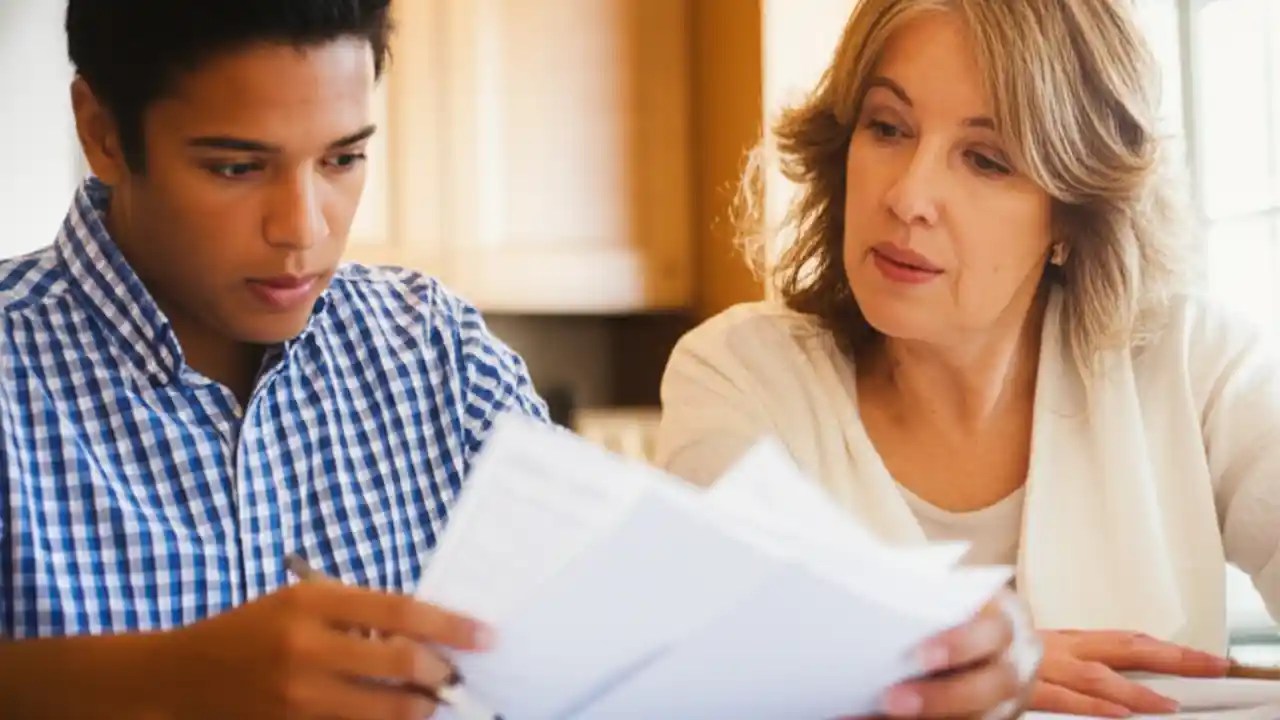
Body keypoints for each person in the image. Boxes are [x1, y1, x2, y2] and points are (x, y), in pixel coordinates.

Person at [0, 1, 1031, 718]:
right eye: (236, 167)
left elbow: (628, 657)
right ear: (101, 130)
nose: (302, 228)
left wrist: (894, 669)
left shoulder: (433, 353)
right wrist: (162, 685)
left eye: (343, 158)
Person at [656, 0, 1272, 716]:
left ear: (1071, 214)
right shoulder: (738, 375)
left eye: (986, 160)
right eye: (887, 128)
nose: (909, 195)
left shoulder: (1197, 363)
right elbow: (722, 668)